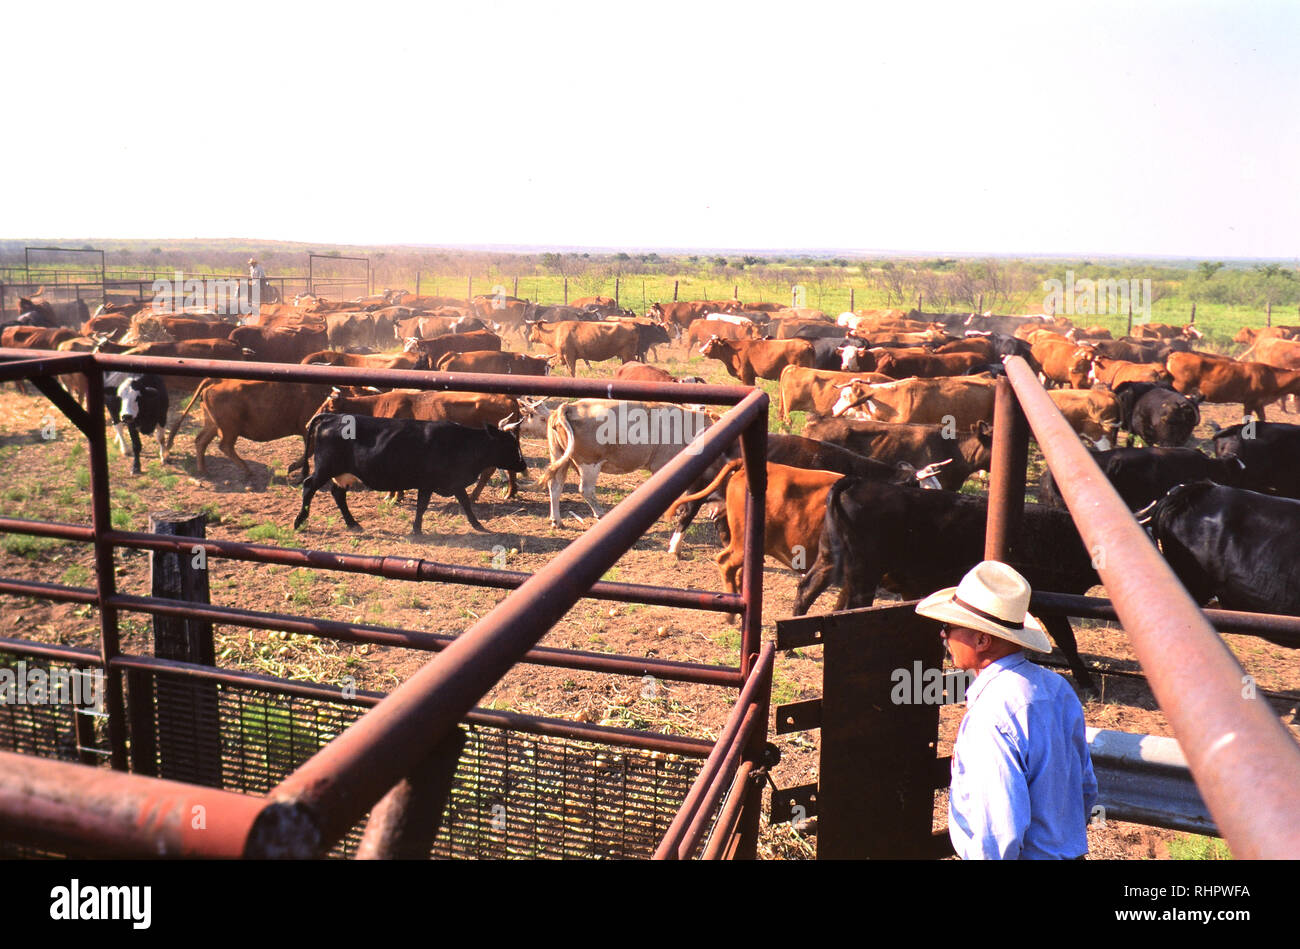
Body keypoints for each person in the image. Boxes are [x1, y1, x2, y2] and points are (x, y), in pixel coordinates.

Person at [916, 560, 1098, 860]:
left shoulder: (991, 714)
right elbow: (1085, 788)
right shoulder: (1058, 689)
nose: (943, 635)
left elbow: (995, 834)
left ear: (982, 640)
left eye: (949, 627)